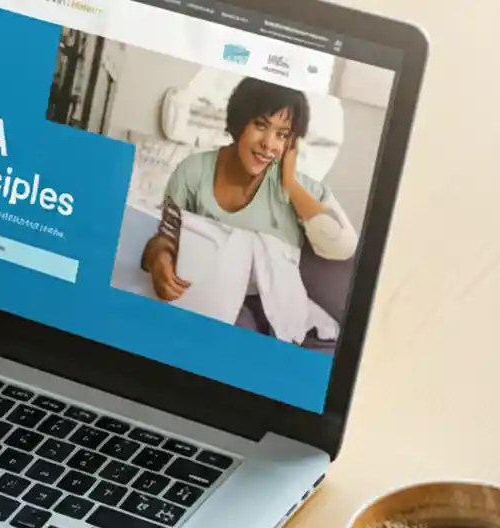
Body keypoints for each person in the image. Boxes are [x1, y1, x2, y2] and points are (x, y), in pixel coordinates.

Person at [140, 77, 357, 335]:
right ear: (240, 121)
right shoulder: (193, 172)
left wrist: (290, 183)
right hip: (204, 302)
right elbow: (166, 236)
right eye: (260, 125)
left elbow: (342, 246)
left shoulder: (301, 190)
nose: (268, 143)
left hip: (267, 314)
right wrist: (159, 259)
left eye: (282, 135)